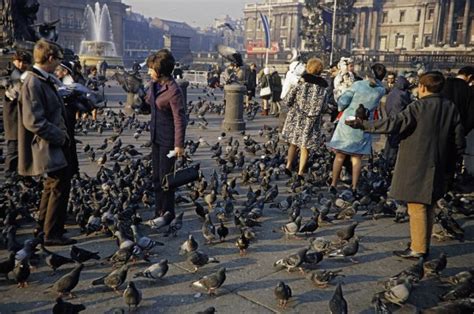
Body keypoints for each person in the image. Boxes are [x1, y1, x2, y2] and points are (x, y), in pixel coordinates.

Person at [346, 71, 465, 259]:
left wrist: (364, 125)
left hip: (417, 161)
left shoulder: (418, 106)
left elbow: (394, 123)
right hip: (441, 162)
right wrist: (456, 160)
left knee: (416, 206)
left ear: (423, 87)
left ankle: (418, 249)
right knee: (430, 205)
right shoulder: (450, 106)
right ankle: (422, 244)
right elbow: (458, 138)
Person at [18, 39, 76, 245]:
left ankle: (43, 229)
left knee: (52, 186)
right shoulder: (33, 82)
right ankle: (52, 234)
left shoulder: (42, 79)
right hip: (48, 144)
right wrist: (60, 136)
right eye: (59, 59)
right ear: (50, 58)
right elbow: (33, 121)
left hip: (52, 142)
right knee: (58, 186)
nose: (60, 63)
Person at [327, 63, 387, 196]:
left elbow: (343, 102)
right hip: (363, 124)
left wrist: (341, 108)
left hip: (348, 122)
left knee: (340, 155)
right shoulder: (381, 90)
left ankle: (333, 184)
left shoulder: (358, 85)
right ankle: (354, 186)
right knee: (357, 158)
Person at [146, 49, 187, 220]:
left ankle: (168, 213)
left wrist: (179, 145)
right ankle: (158, 211)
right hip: (156, 136)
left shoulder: (174, 91)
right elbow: (148, 104)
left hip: (169, 140)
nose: (148, 72)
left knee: (166, 179)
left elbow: (180, 119)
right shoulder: (154, 85)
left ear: (160, 70)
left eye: (151, 68)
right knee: (156, 177)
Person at [281, 58, 328, 181]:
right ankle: (301, 172)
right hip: (311, 120)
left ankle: (288, 165)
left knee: (293, 142)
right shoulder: (323, 88)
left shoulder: (301, 83)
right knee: (304, 146)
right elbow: (324, 107)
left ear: (309, 68)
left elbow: (288, 99)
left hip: (297, 116)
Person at [3, 50, 32, 176]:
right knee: (13, 147)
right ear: (14, 60)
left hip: (24, 115)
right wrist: (6, 84)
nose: (20, 64)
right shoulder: (8, 73)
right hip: (13, 115)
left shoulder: (28, 75)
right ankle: (10, 173)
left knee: (25, 147)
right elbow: (3, 82)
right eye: (18, 61)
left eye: (24, 62)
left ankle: (23, 173)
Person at [383, 76, 412, 170]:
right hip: (398, 121)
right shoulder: (404, 94)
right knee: (394, 144)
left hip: (390, 119)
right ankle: (390, 163)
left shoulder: (392, 92)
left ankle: (384, 161)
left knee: (389, 142)